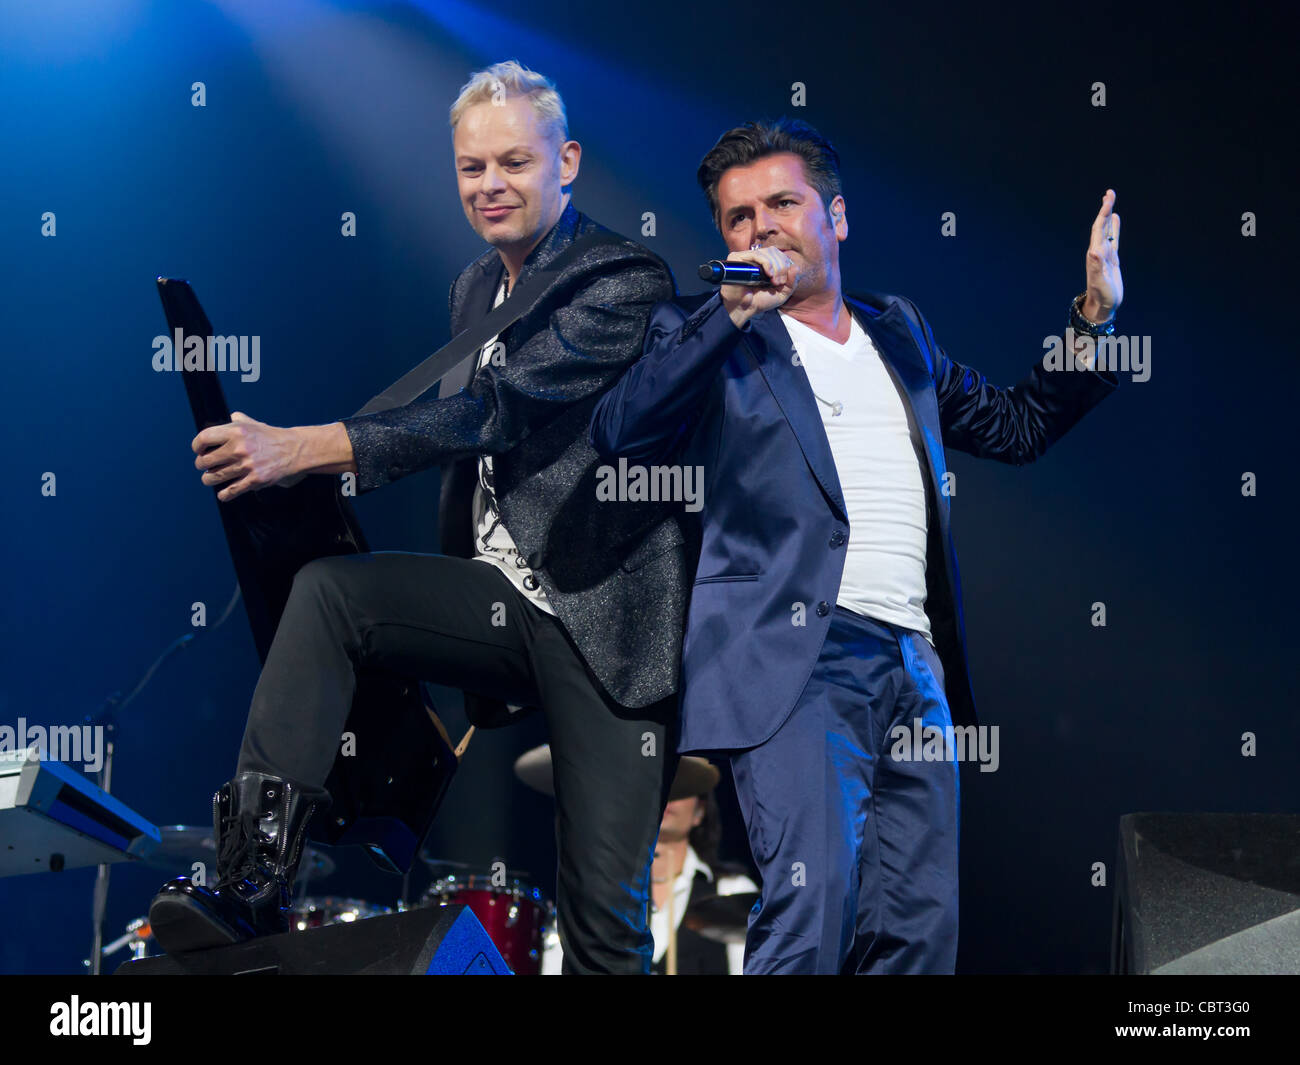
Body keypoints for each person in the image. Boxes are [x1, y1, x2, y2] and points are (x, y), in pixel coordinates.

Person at [147, 61, 691, 975]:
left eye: (514, 163)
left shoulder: (624, 278)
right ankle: (252, 882)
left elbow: (495, 410)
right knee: (329, 595)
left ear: (568, 161)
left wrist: (308, 445)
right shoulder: (475, 288)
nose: (491, 185)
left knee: (603, 923)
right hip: (501, 603)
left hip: (608, 630)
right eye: (472, 168)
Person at [589, 118, 1122, 974]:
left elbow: (1018, 427)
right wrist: (725, 315)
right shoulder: (710, 337)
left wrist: (1093, 318)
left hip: (915, 661)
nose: (760, 227)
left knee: (919, 935)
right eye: (738, 217)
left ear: (836, 218)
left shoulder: (899, 330)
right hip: (796, 658)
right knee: (813, 912)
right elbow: (619, 431)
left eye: (782, 203)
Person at [539, 760, 758, 974]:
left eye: (680, 787)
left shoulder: (734, 889)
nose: (667, 795)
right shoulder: (593, 893)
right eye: (656, 786)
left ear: (700, 811)